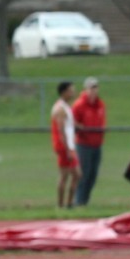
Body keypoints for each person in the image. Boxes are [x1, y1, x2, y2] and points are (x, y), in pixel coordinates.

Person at [72, 77, 107, 207]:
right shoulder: (79, 105)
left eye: (95, 87)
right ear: (86, 89)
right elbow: (73, 121)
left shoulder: (100, 104)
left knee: (93, 175)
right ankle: (78, 201)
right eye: (91, 88)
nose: (94, 90)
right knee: (84, 174)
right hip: (83, 144)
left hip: (97, 144)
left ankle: (85, 201)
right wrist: (81, 128)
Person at [51, 80, 82, 209]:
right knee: (65, 175)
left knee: (76, 175)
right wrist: (67, 149)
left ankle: (69, 204)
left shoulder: (66, 107)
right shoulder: (60, 109)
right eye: (71, 90)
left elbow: (69, 126)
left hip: (70, 145)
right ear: (64, 92)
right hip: (64, 146)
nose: (73, 93)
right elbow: (61, 130)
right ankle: (61, 205)